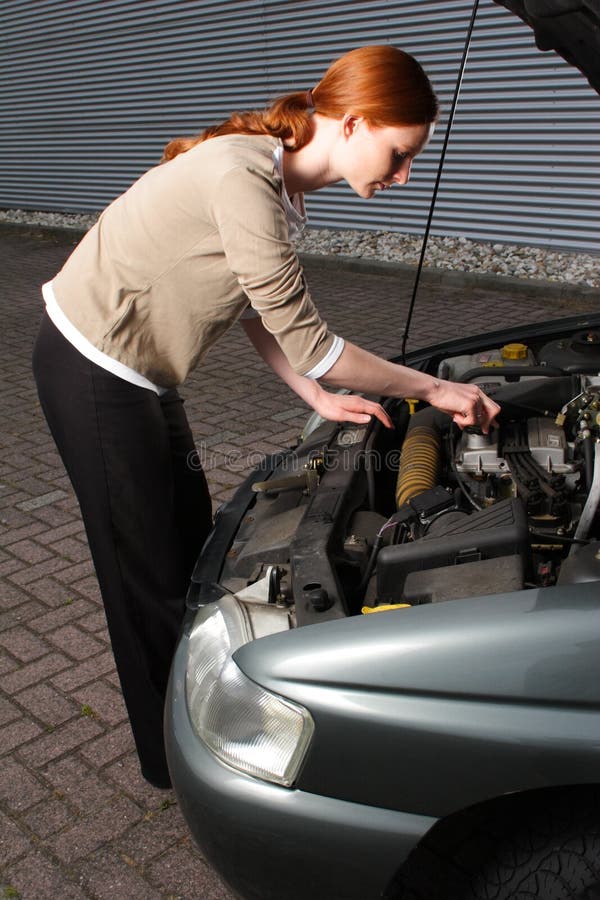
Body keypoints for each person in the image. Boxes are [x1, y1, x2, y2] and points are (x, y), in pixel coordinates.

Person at [32, 45, 499, 789]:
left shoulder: (277, 184)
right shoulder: (243, 176)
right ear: (354, 123)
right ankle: (172, 767)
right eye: (399, 154)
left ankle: (205, 723)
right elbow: (319, 347)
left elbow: (253, 300)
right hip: (93, 369)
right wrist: (433, 390)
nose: (405, 174)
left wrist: (314, 396)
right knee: (144, 580)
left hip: (144, 378)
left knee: (192, 552)